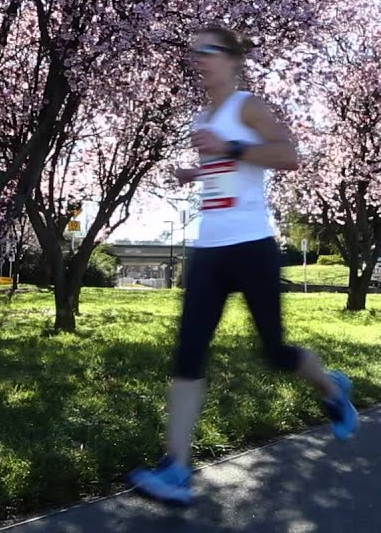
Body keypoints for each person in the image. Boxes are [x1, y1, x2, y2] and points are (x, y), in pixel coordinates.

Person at [127, 25, 358, 506]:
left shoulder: (246, 106)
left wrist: (228, 147)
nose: (198, 58)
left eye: (208, 50)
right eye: (193, 52)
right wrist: (197, 170)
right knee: (188, 354)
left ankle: (331, 388)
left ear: (232, 59)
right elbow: (226, 174)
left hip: (252, 245)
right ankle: (177, 469)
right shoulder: (202, 115)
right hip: (208, 247)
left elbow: (287, 156)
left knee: (274, 354)